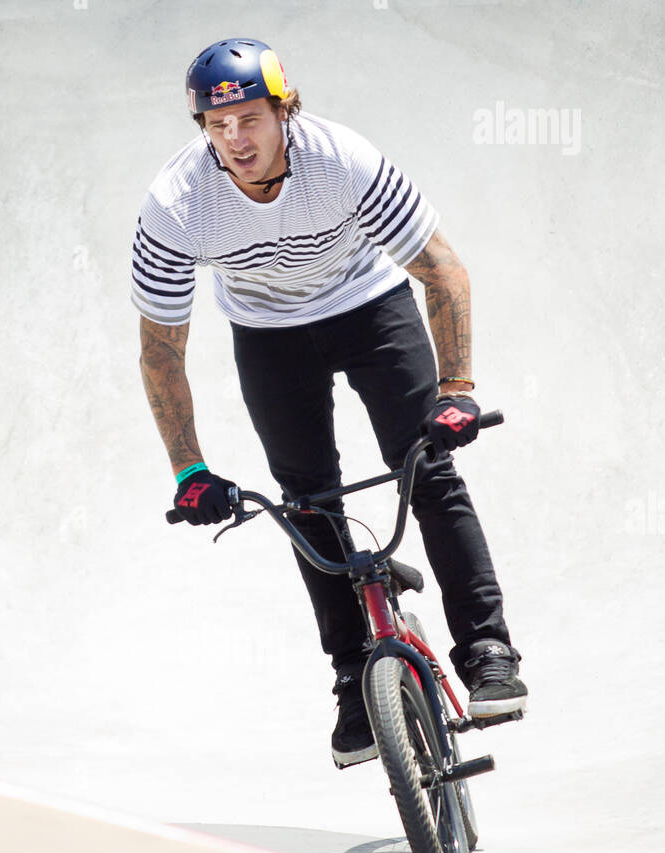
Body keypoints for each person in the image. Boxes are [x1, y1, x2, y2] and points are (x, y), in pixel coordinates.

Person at [132, 36, 527, 769]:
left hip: (369, 308)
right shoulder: (177, 203)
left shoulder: (341, 160)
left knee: (426, 467)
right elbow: (161, 350)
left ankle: (487, 651)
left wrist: (458, 393)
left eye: (249, 119)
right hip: (269, 332)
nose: (234, 140)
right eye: (216, 127)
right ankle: (354, 677)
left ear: (285, 110)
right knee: (307, 502)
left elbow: (442, 272)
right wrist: (190, 471)